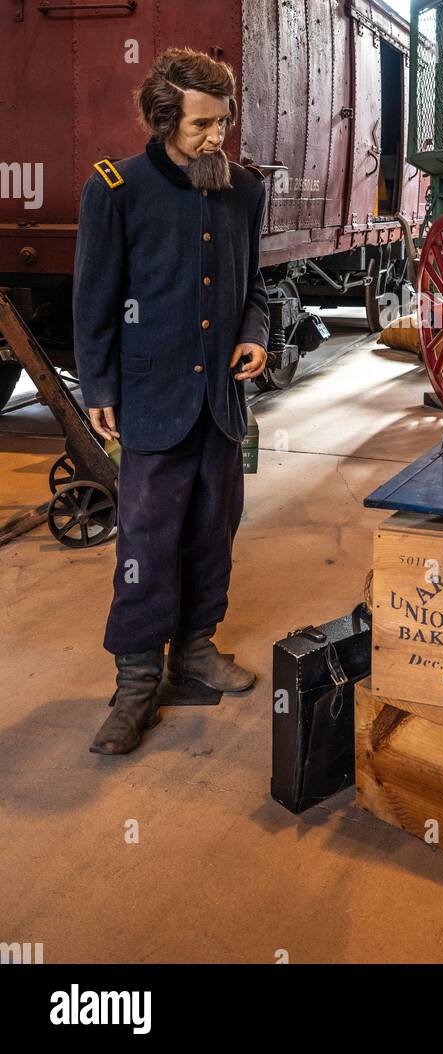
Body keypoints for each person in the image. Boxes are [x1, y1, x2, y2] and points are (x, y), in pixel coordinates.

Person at [73, 47, 270, 755]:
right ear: (164, 119)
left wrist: (254, 335)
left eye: (223, 123)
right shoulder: (117, 188)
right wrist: (97, 384)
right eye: (200, 126)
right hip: (151, 398)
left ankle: (194, 651)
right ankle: (134, 684)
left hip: (219, 401)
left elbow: (257, 290)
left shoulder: (244, 189)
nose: (216, 138)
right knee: (147, 541)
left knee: (214, 530)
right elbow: (93, 297)